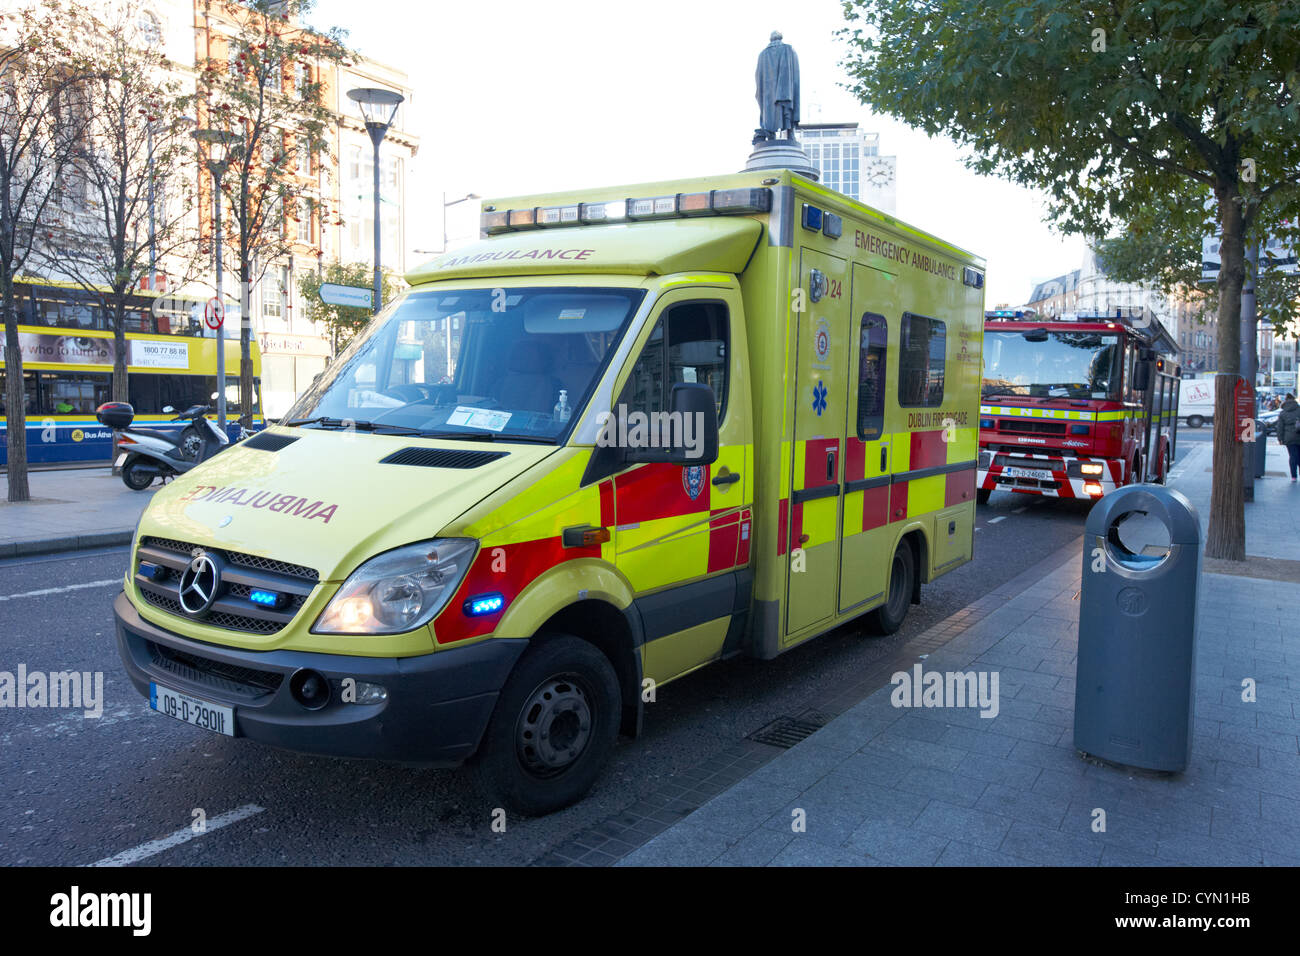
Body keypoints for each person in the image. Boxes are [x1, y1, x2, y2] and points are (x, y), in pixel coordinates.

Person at [1278, 393, 1300, 482]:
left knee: (1293, 456)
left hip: (1289, 438)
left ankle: (1293, 476)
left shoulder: (1283, 413)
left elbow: (1280, 427)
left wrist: (1280, 438)